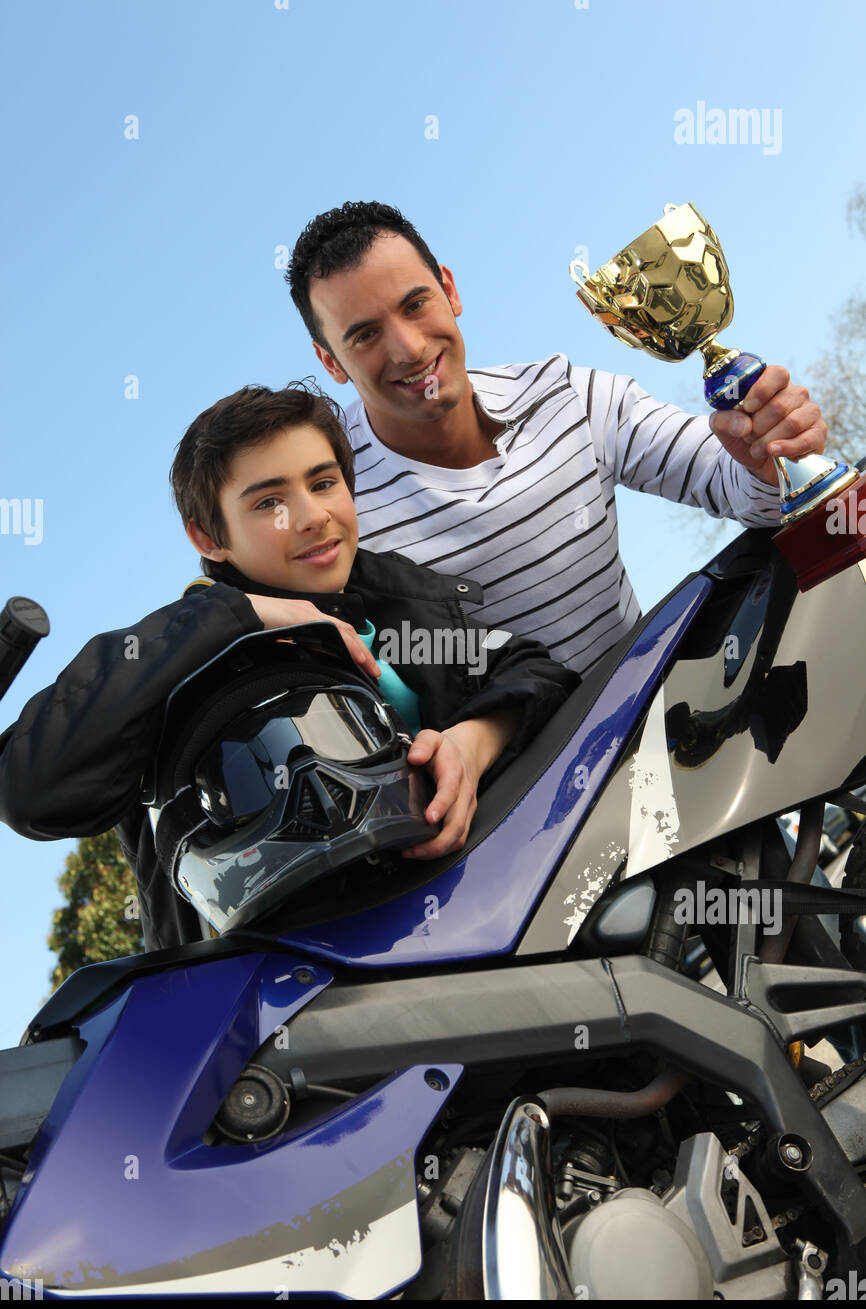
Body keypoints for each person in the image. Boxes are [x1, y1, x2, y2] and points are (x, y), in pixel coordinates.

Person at [0, 383, 577, 952]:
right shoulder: (169, 667)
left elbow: (537, 673)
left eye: (324, 483)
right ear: (208, 536)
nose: (310, 516)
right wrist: (240, 612)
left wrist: (469, 747)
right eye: (268, 501)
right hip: (269, 1014)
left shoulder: (407, 607)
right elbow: (31, 790)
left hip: (481, 946)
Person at [286, 200, 828, 676]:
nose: (407, 348)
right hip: (500, 788)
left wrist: (767, 459)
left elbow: (736, 486)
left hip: (648, 733)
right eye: (365, 335)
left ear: (449, 290)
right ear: (330, 361)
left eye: (415, 304)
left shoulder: (563, 392)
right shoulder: (332, 503)